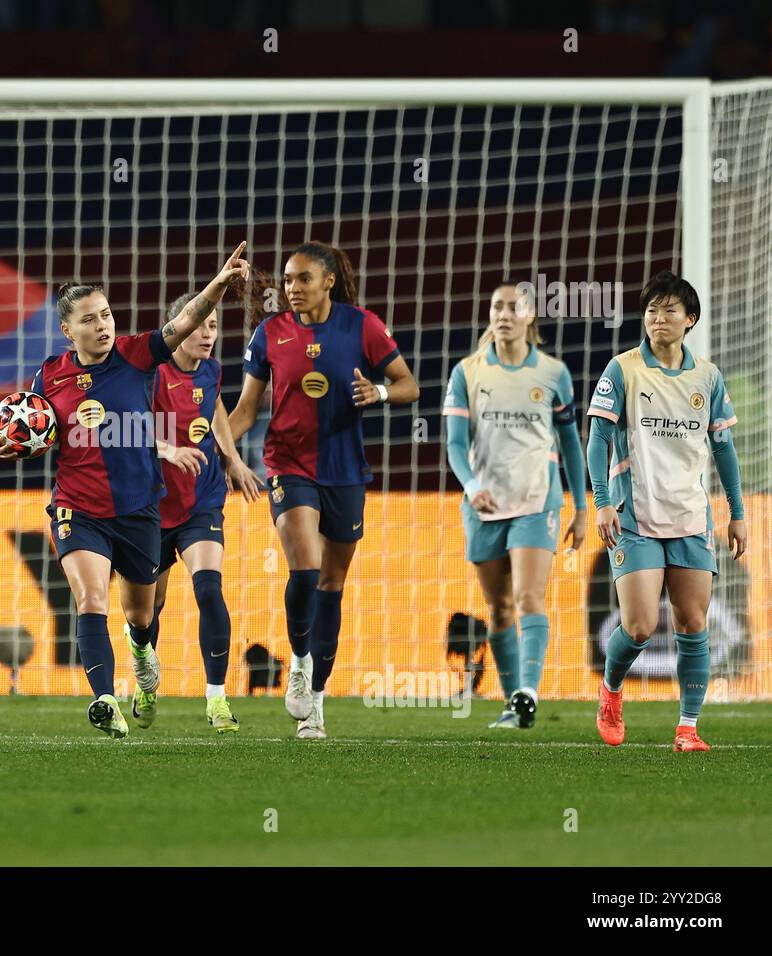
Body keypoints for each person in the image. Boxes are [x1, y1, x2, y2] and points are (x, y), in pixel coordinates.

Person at [0, 242, 252, 738]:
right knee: (90, 599)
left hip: (137, 509)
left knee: (140, 613)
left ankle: (140, 649)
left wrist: (218, 284)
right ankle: (105, 700)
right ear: (68, 330)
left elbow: (185, 322)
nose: (102, 325)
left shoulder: (135, 354)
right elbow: (36, 428)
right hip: (77, 508)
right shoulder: (50, 374)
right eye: (89, 320)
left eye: (106, 315)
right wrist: (11, 443)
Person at [227, 241, 420, 739]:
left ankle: (315, 700)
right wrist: (218, 451)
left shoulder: (362, 327)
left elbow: (408, 385)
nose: (292, 288)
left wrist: (377, 392)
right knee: (306, 567)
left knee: (332, 588)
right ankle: (298, 660)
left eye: (303, 279)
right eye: (288, 280)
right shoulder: (269, 334)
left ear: (328, 281)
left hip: (345, 472)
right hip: (288, 467)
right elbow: (247, 409)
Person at [587, 271, 746, 752]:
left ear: (689, 319)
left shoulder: (708, 378)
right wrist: (601, 501)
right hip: (633, 517)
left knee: (694, 624)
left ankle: (687, 728)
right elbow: (596, 440)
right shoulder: (623, 369)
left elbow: (724, 448)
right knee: (637, 626)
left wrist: (737, 512)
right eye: (652, 309)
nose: (658, 317)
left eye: (669, 309)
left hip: (690, 518)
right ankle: (611, 692)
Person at [443, 281, 587, 729]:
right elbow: (453, 443)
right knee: (500, 607)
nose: (504, 314)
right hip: (483, 505)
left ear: (529, 317)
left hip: (535, 501)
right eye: (497, 307)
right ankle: (513, 706)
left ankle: (528, 689)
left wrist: (581, 506)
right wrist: (471, 486)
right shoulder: (467, 373)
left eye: (514, 307)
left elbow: (570, 442)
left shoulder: (552, 374)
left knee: (528, 597)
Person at [148, 293, 263, 733]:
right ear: (178, 327)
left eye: (213, 326)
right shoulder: (151, 375)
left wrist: (231, 458)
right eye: (199, 325)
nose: (208, 334)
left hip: (202, 499)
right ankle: (144, 679)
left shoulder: (212, 371)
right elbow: (126, 425)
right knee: (147, 610)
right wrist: (167, 450)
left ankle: (216, 697)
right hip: (154, 504)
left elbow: (214, 407)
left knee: (209, 590)